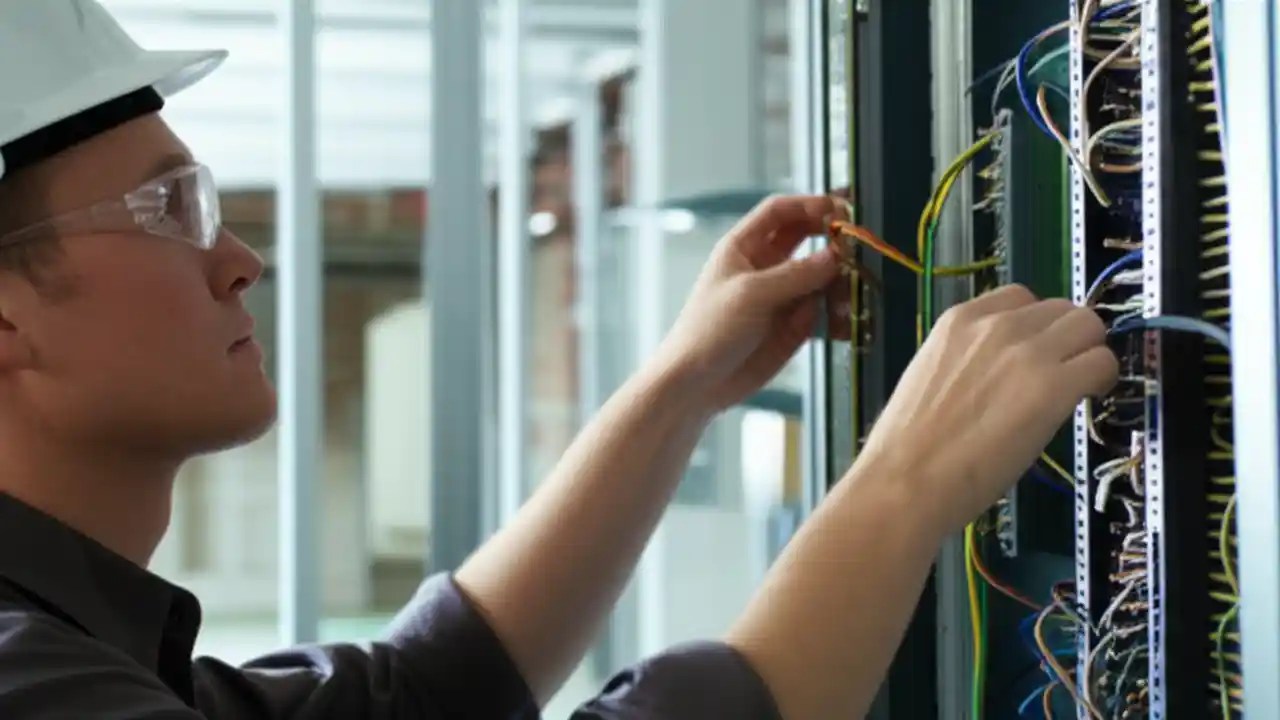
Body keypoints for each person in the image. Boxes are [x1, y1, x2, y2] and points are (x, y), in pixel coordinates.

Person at [0, 3, 1119, 719]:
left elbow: (427, 696)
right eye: (169, 207)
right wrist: (903, 484)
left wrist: (678, 384)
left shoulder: (80, 654)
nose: (240, 260)